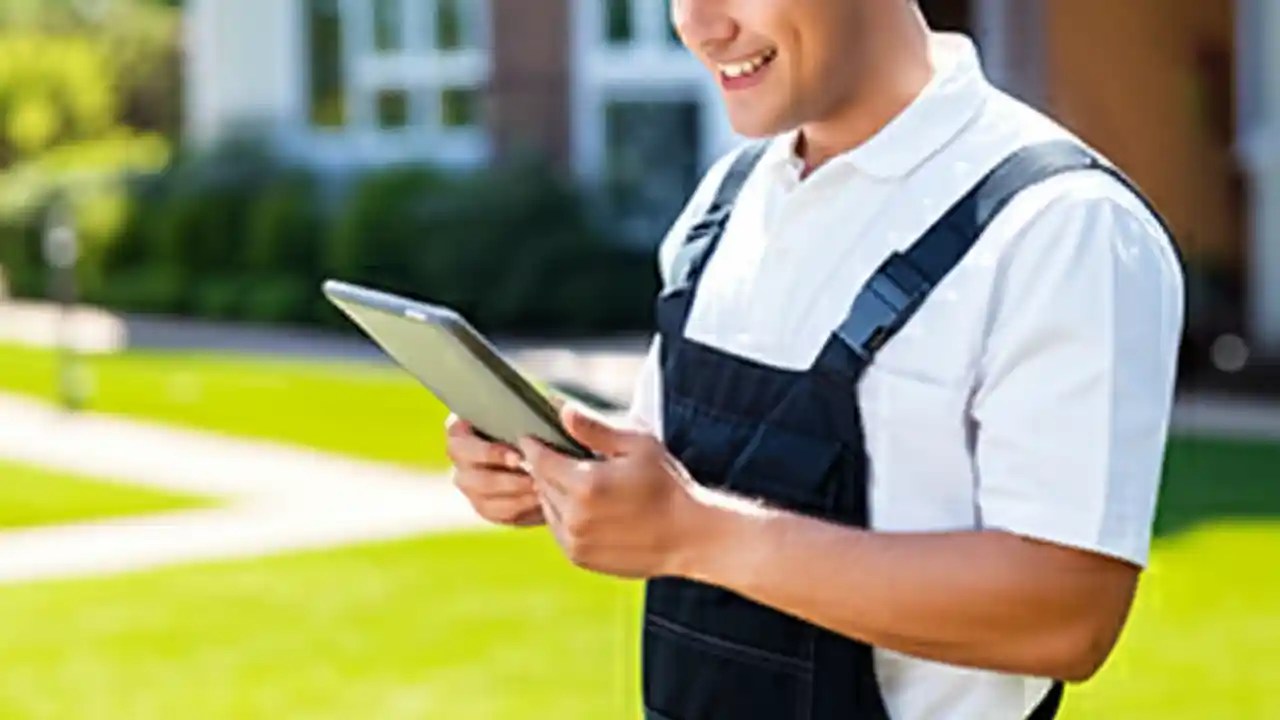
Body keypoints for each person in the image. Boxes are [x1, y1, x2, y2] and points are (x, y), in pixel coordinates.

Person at [446, 0, 1185, 718]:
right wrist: (560, 468)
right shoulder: (726, 199)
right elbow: (682, 469)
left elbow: (1065, 614)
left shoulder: (1061, 226)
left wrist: (695, 534)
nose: (699, 26)